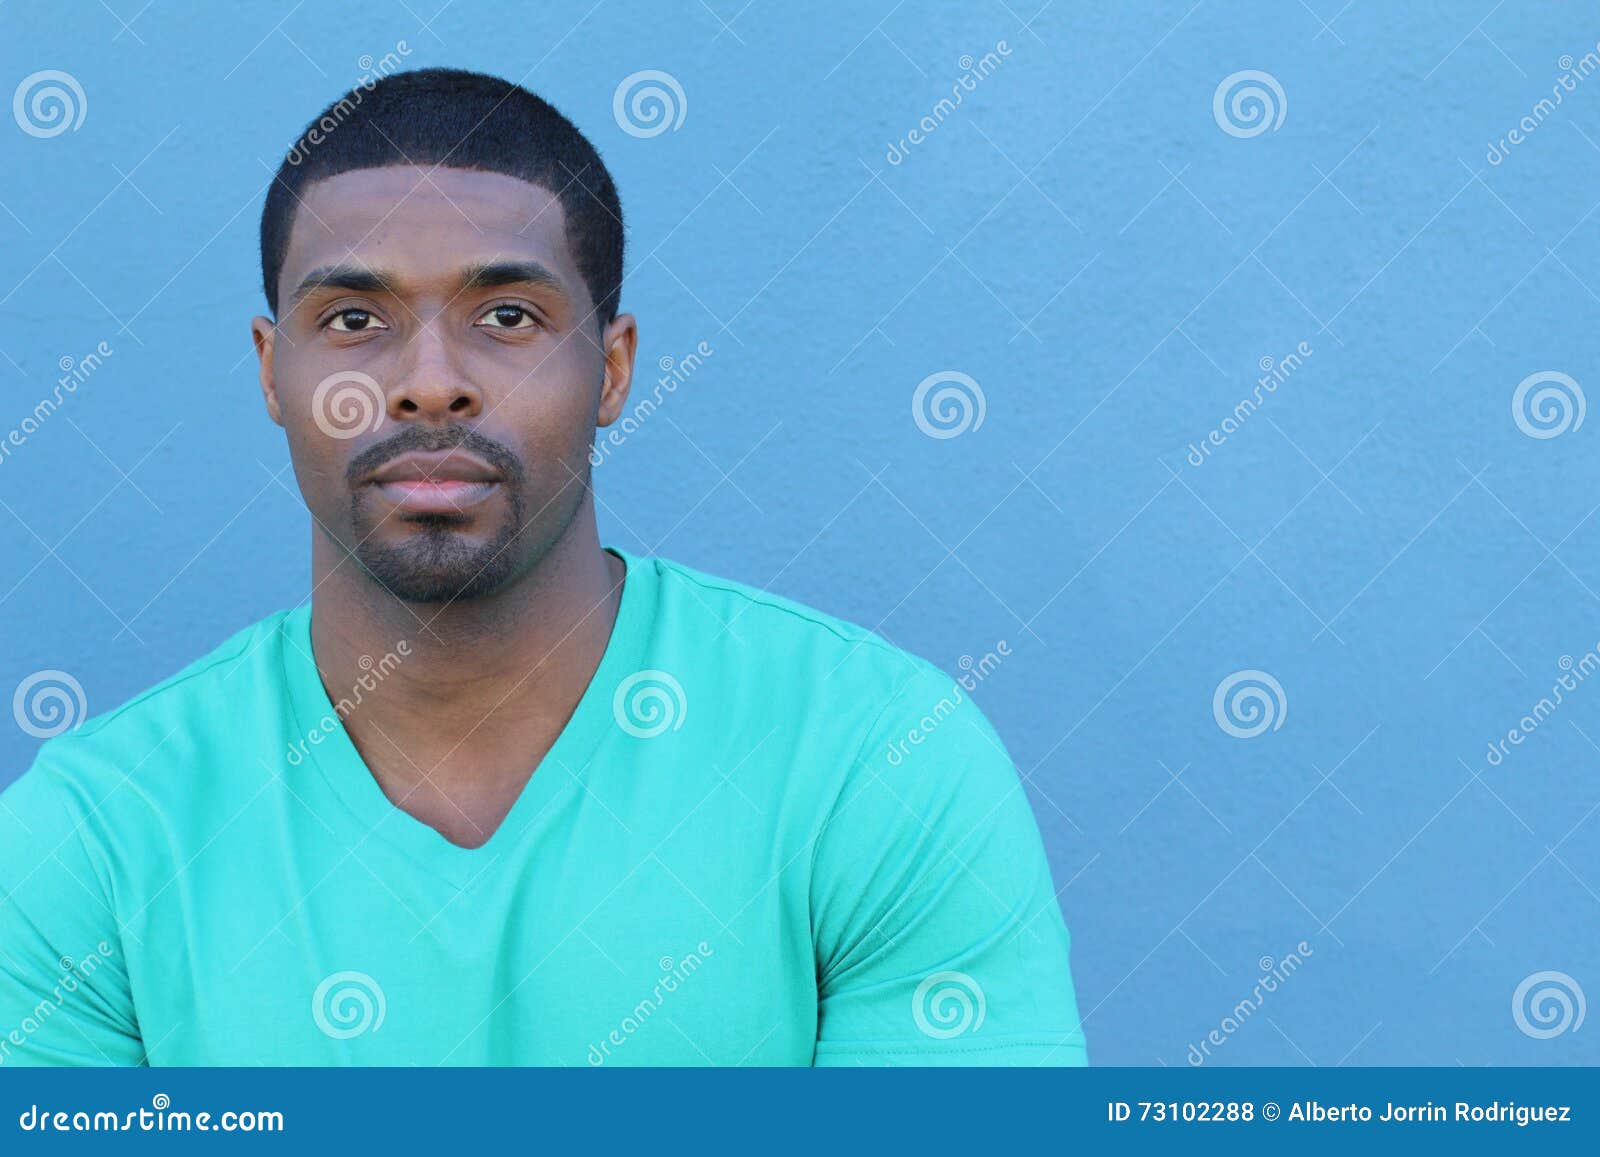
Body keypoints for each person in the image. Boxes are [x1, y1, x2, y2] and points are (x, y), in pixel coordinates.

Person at [0, 68, 1085, 1066]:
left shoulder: (872, 758)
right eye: (354, 318)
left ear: (610, 369)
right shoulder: (96, 834)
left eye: (508, 316)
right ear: (272, 368)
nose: (430, 382)